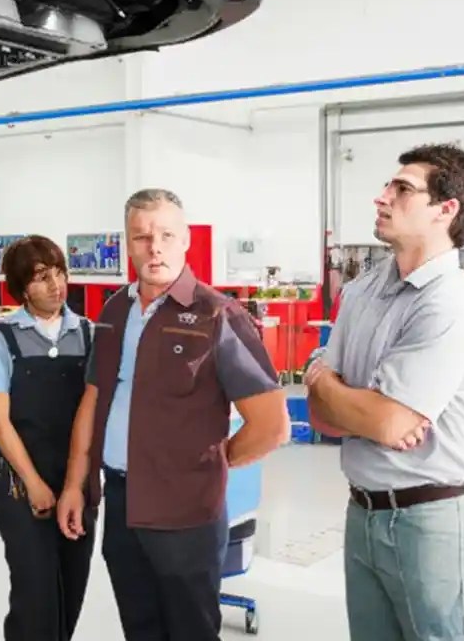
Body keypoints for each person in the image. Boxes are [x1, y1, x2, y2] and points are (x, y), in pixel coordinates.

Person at [55, 188, 290, 641]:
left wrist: (207, 466)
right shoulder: (114, 310)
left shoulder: (218, 315)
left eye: (165, 234)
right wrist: (73, 484)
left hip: (187, 514)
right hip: (123, 503)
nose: (154, 246)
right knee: (139, 627)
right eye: (141, 237)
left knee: (190, 631)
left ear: (185, 240)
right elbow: (93, 399)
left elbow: (271, 425)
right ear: (127, 244)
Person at [306, 143, 464, 641]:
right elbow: (322, 416)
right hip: (362, 514)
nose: (382, 197)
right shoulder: (362, 292)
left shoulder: (453, 303)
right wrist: (343, 398)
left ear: (446, 209)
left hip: (433, 522)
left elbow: (389, 422)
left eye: (402, 189)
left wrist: (330, 384)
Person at [0, 235, 96, 641]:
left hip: (76, 483)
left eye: (60, 272)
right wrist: (34, 484)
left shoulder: (89, 334)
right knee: (35, 595)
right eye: (42, 277)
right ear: (22, 286)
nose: (55, 284)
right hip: (21, 487)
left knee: (72, 587)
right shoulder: (1, 337)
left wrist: (75, 485)